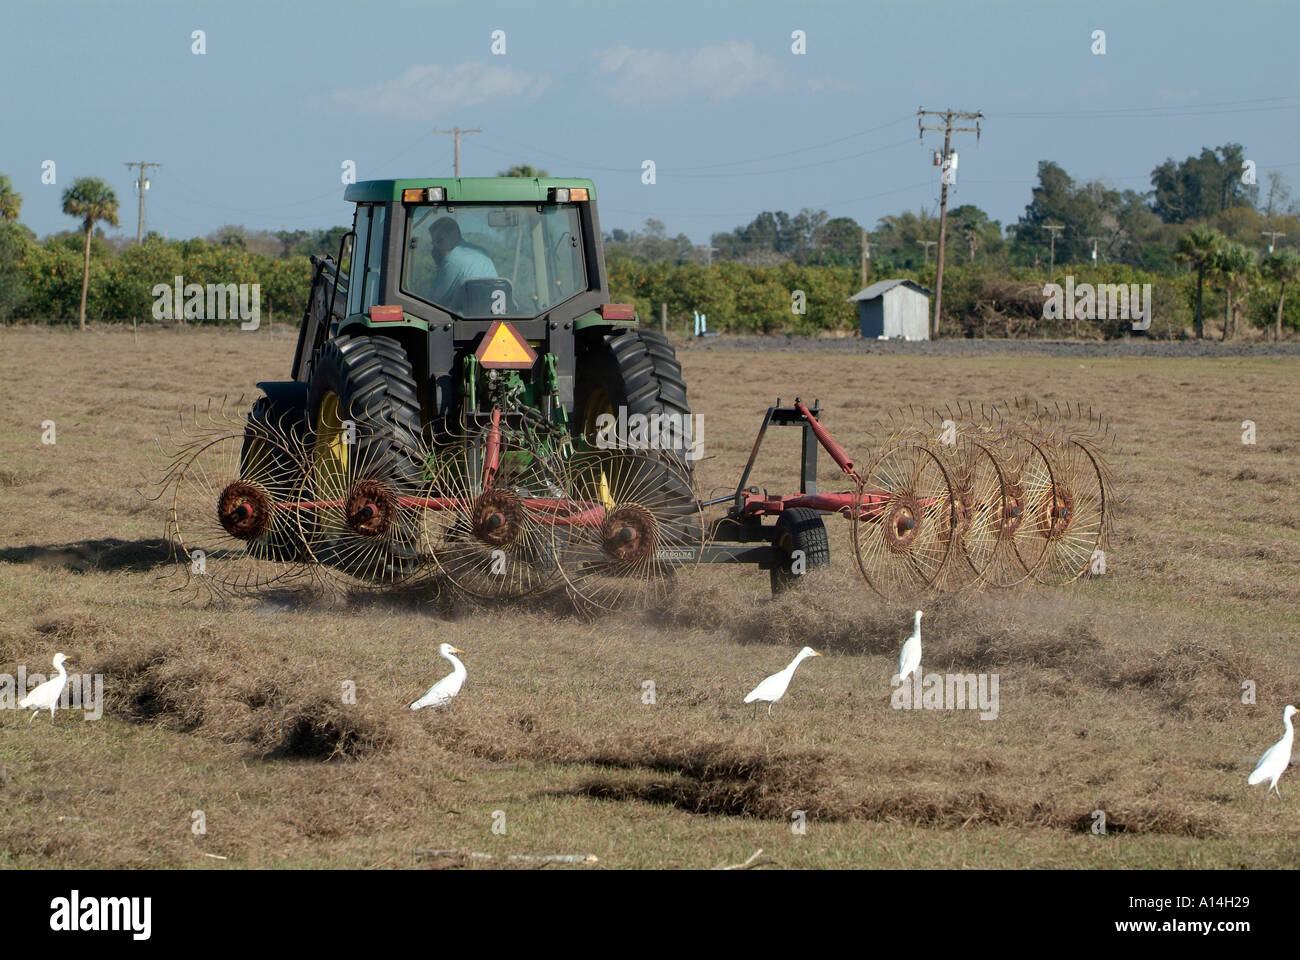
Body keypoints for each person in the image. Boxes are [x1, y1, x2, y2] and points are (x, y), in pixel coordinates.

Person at [426, 217, 497, 311]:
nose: (436, 247)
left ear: (453, 235)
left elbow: (432, 302)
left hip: (468, 318)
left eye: (439, 241)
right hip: (491, 313)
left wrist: (440, 266)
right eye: (434, 243)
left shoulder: (453, 260)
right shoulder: (480, 251)